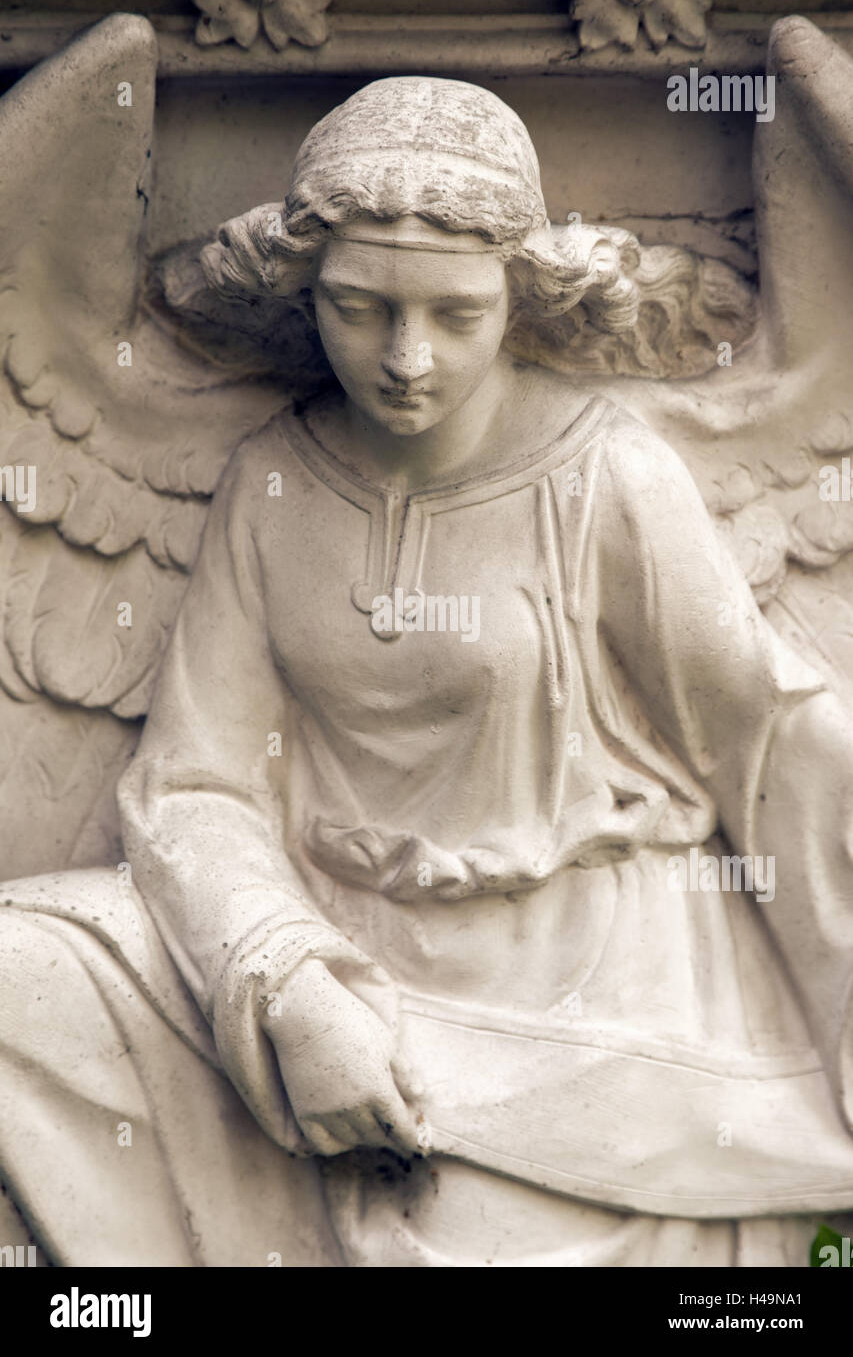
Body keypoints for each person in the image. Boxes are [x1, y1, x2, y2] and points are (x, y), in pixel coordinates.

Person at [2, 75, 853, 1268]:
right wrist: (287, 984)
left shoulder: (603, 474)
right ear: (305, 294)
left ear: (519, 296)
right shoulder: (272, 481)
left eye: (453, 313)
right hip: (334, 950)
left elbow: (766, 741)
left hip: (583, 1005)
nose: (405, 357)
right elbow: (193, 787)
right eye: (360, 308)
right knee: (16, 979)